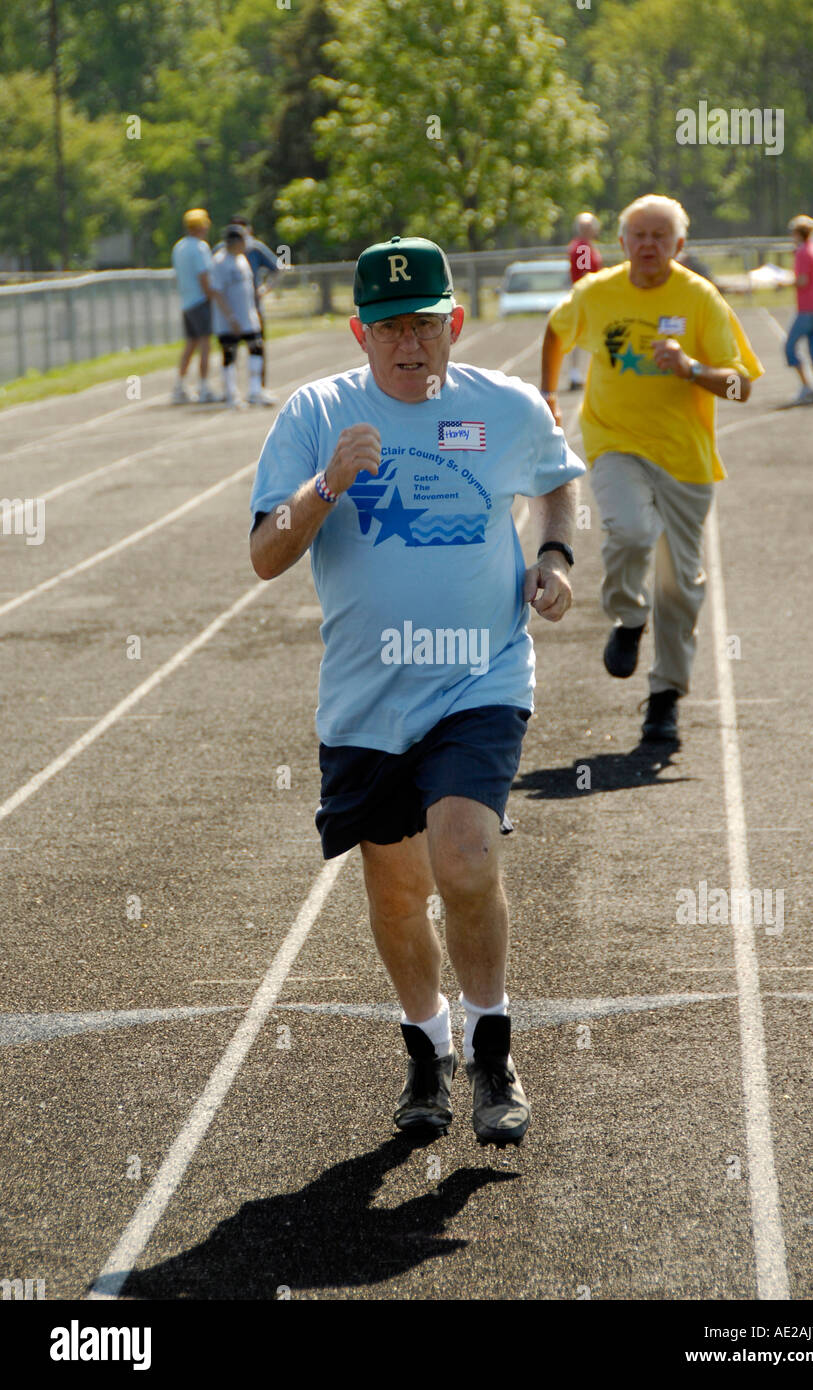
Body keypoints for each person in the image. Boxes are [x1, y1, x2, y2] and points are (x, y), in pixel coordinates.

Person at [249, 235, 584, 1144]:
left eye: (426, 325)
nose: (410, 345)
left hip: (481, 675)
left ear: (455, 324)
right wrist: (326, 486)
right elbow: (266, 554)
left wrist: (553, 556)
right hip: (366, 697)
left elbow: (555, 484)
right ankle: (424, 1052)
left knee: (465, 856)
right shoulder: (317, 413)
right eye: (391, 327)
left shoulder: (504, 407)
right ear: (360, 332)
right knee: (397, 893)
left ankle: (492, 1047)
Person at [540, 194, 763, 747]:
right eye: (638, 234)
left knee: (680, 586)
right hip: (615, 441)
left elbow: (742, 386)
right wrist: (548, 394)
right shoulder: (597, 292)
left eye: (661, 236)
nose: (648, 245)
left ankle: (664, 699)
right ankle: (627, 615)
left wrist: (692, 368)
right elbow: (555, 329)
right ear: (621, 243)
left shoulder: (700, 298)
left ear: (680, 245)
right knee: (631, 530)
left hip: (686, 459)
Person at [170, 209, 237, 405]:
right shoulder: (200, 247)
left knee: (190, 344)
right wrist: (213, 297)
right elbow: (204, 278)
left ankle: (179, 385)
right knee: (205, 345)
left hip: (186, 301)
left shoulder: (179, 247)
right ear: (201, 226)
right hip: (200, 301)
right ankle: (204, 387)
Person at [210, 226, 274, 408]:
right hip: (229, 321)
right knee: (229, 354)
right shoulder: (220, 262)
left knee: (256, 349)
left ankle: (255, 391)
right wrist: (231, 318)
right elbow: (217, 292)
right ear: (236, 242)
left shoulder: (242, 259)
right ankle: (231, 394)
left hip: (248, 317)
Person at [228, 215, 283, 388]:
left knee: (257, 346)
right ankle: (231, 388)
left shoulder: (255, 249)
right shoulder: (223, 252)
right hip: (232, 309)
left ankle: (258, 387)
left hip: (253, 307)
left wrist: (265, 289)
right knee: (230, 349)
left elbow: (279, 268)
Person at [783, 216, 813, 406]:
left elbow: (802, 280)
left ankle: (806, 385)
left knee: (789, 346)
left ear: (797, 233)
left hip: (808, 307)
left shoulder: (803, 252)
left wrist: (783, 282)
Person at [566, 213, 603, 389]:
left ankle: (579, 373)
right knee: (582, 335)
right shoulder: (582, 247)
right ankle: (576, 373)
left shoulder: (585, 246)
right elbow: (583, 275)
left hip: (588, 296)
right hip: (586, 297)